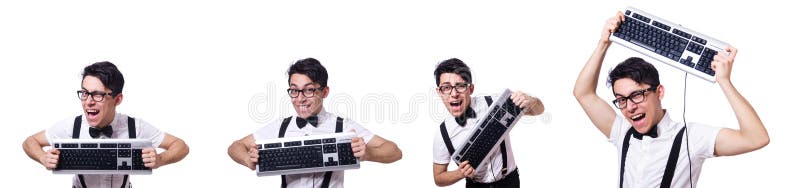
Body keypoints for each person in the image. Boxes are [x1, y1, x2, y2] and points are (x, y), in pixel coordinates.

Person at [572, 12, 770, 187]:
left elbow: (756, 138)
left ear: (659, 92)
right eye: (621, 100)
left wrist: (724, 82)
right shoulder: (622, 132)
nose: (630, 107)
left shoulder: (692, 138)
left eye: (636, 95)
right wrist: (603, 43)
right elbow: (583, 93)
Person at [228, 58, 402, 188]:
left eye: (309, 90)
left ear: (325, 92)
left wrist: (368, 153)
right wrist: (247, 159)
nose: (300, 99)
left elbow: (395, 151)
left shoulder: (342, 126)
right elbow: (235, 146)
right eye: (294, 91)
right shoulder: (280, 126)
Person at [22, 61, 190, 188]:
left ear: (118, 99)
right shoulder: (71, 126)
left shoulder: (134, 127)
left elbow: (180, 146)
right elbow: (30, 142)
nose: (88, 102)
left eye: (97, 95)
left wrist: (160, 159)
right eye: (85, 93)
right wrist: (43, 157)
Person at [431, 58, 545, 187]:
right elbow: (438, 178)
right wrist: (459, 174)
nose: (454, 94)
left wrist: (532, 101)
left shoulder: (496, 103)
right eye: (446, 88)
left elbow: (539, 110)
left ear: (471, 88)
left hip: (509, 182)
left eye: (460, 86)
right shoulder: (443, 133)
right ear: (439, 92)